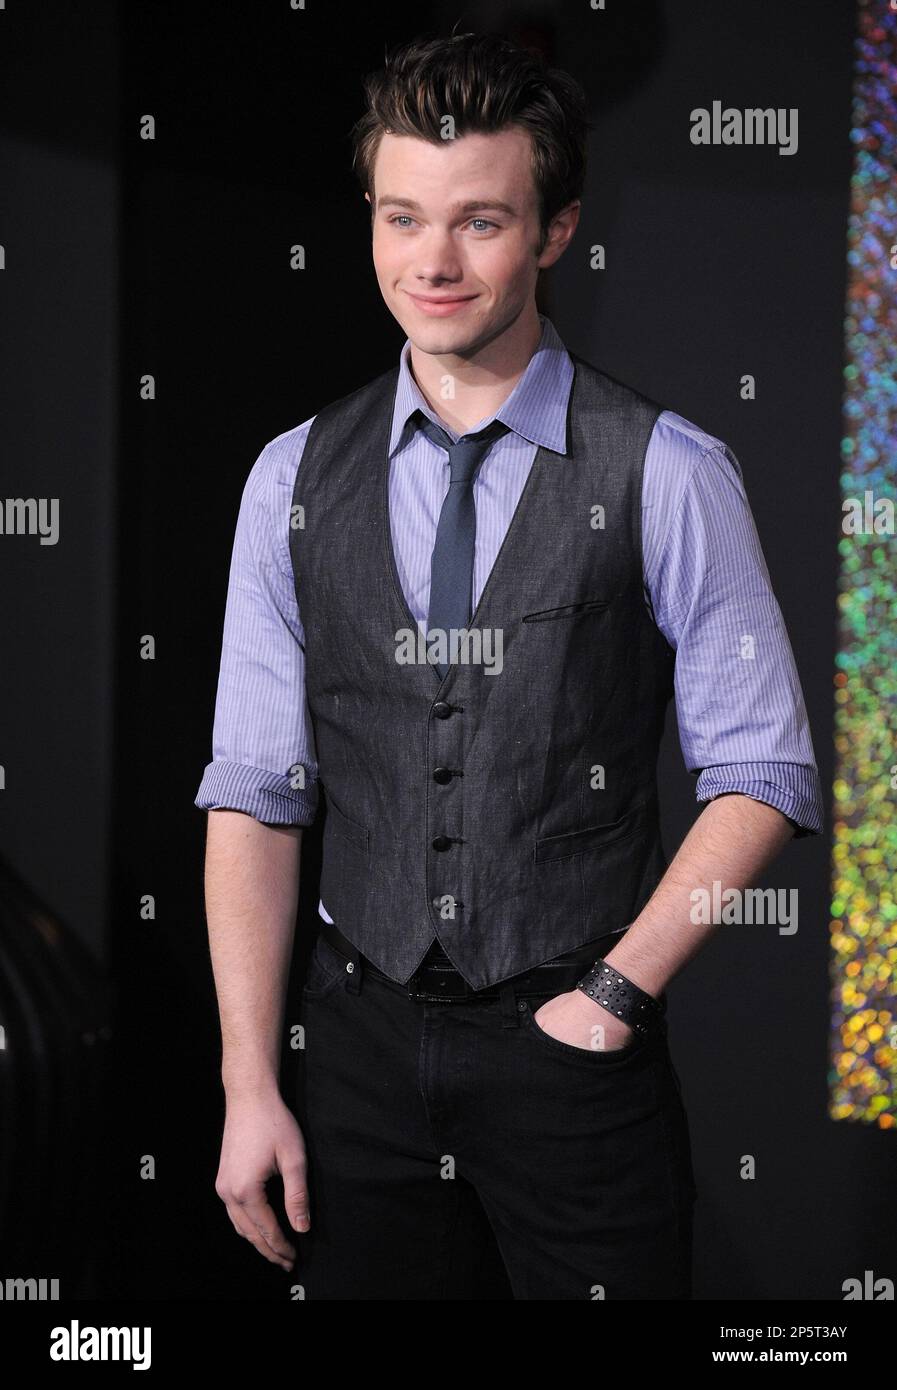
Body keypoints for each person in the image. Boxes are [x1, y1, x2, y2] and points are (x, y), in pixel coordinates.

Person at [195, 31, 824, 1300]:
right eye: (401, 218)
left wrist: (613, 998)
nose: (431, 261)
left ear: (554, 230)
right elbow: (257, 793)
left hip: (574, 1059)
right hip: (357, 1059)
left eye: (480, 221)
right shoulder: (288, 482)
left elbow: (766, 770)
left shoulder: (668, 470)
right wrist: (250, 1081)